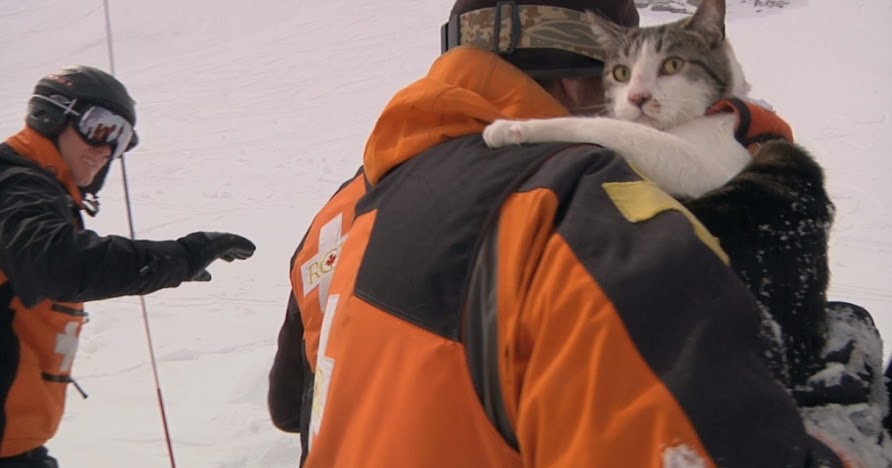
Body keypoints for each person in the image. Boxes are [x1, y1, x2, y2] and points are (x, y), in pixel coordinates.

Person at [269, 1, 888, 466]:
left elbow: (289, 405)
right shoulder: (583, 218)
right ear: (576, 78)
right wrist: (833, 430)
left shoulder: (347, 207)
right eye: (612, 77)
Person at [0, 65, 256, 467]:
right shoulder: (15, 186)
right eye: (101, 127)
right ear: (50, 115)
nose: (107, 149)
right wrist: (182, 257)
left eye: (121, 140)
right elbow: (59, 264)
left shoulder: (36, 192)